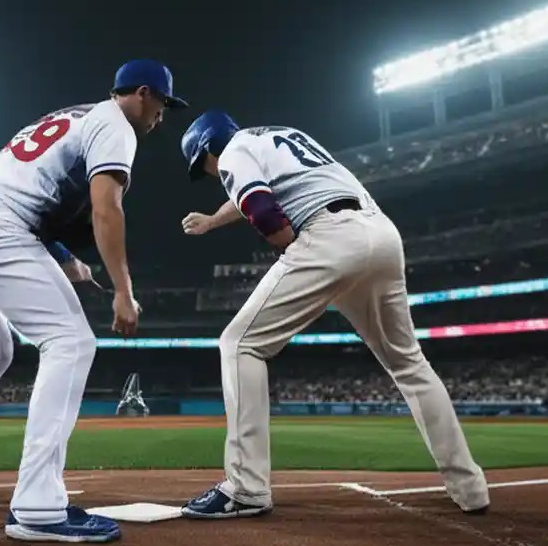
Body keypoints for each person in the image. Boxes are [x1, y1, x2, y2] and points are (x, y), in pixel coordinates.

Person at [0, 60, 188, 543]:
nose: (163, 115)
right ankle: (38, 506)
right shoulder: (117, 124)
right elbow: (107, 208)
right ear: (142, 94)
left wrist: (63, 257)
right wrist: (124, 290)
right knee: (71, 341)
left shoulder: (70, 116)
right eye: (162, 103)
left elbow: (23, 191)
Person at [176, 110, 488, 519]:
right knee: (409, 363)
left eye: (205, 166)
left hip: (329, 237)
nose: (212, 173)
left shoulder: (232, 154)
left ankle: (246, 487)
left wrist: (295, 254)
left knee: (240, 344)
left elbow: (263, 211)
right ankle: (471, 487)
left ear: (208, 149)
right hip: (381, 233)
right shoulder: (281, 134)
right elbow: (259, 192)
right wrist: (215, 220)